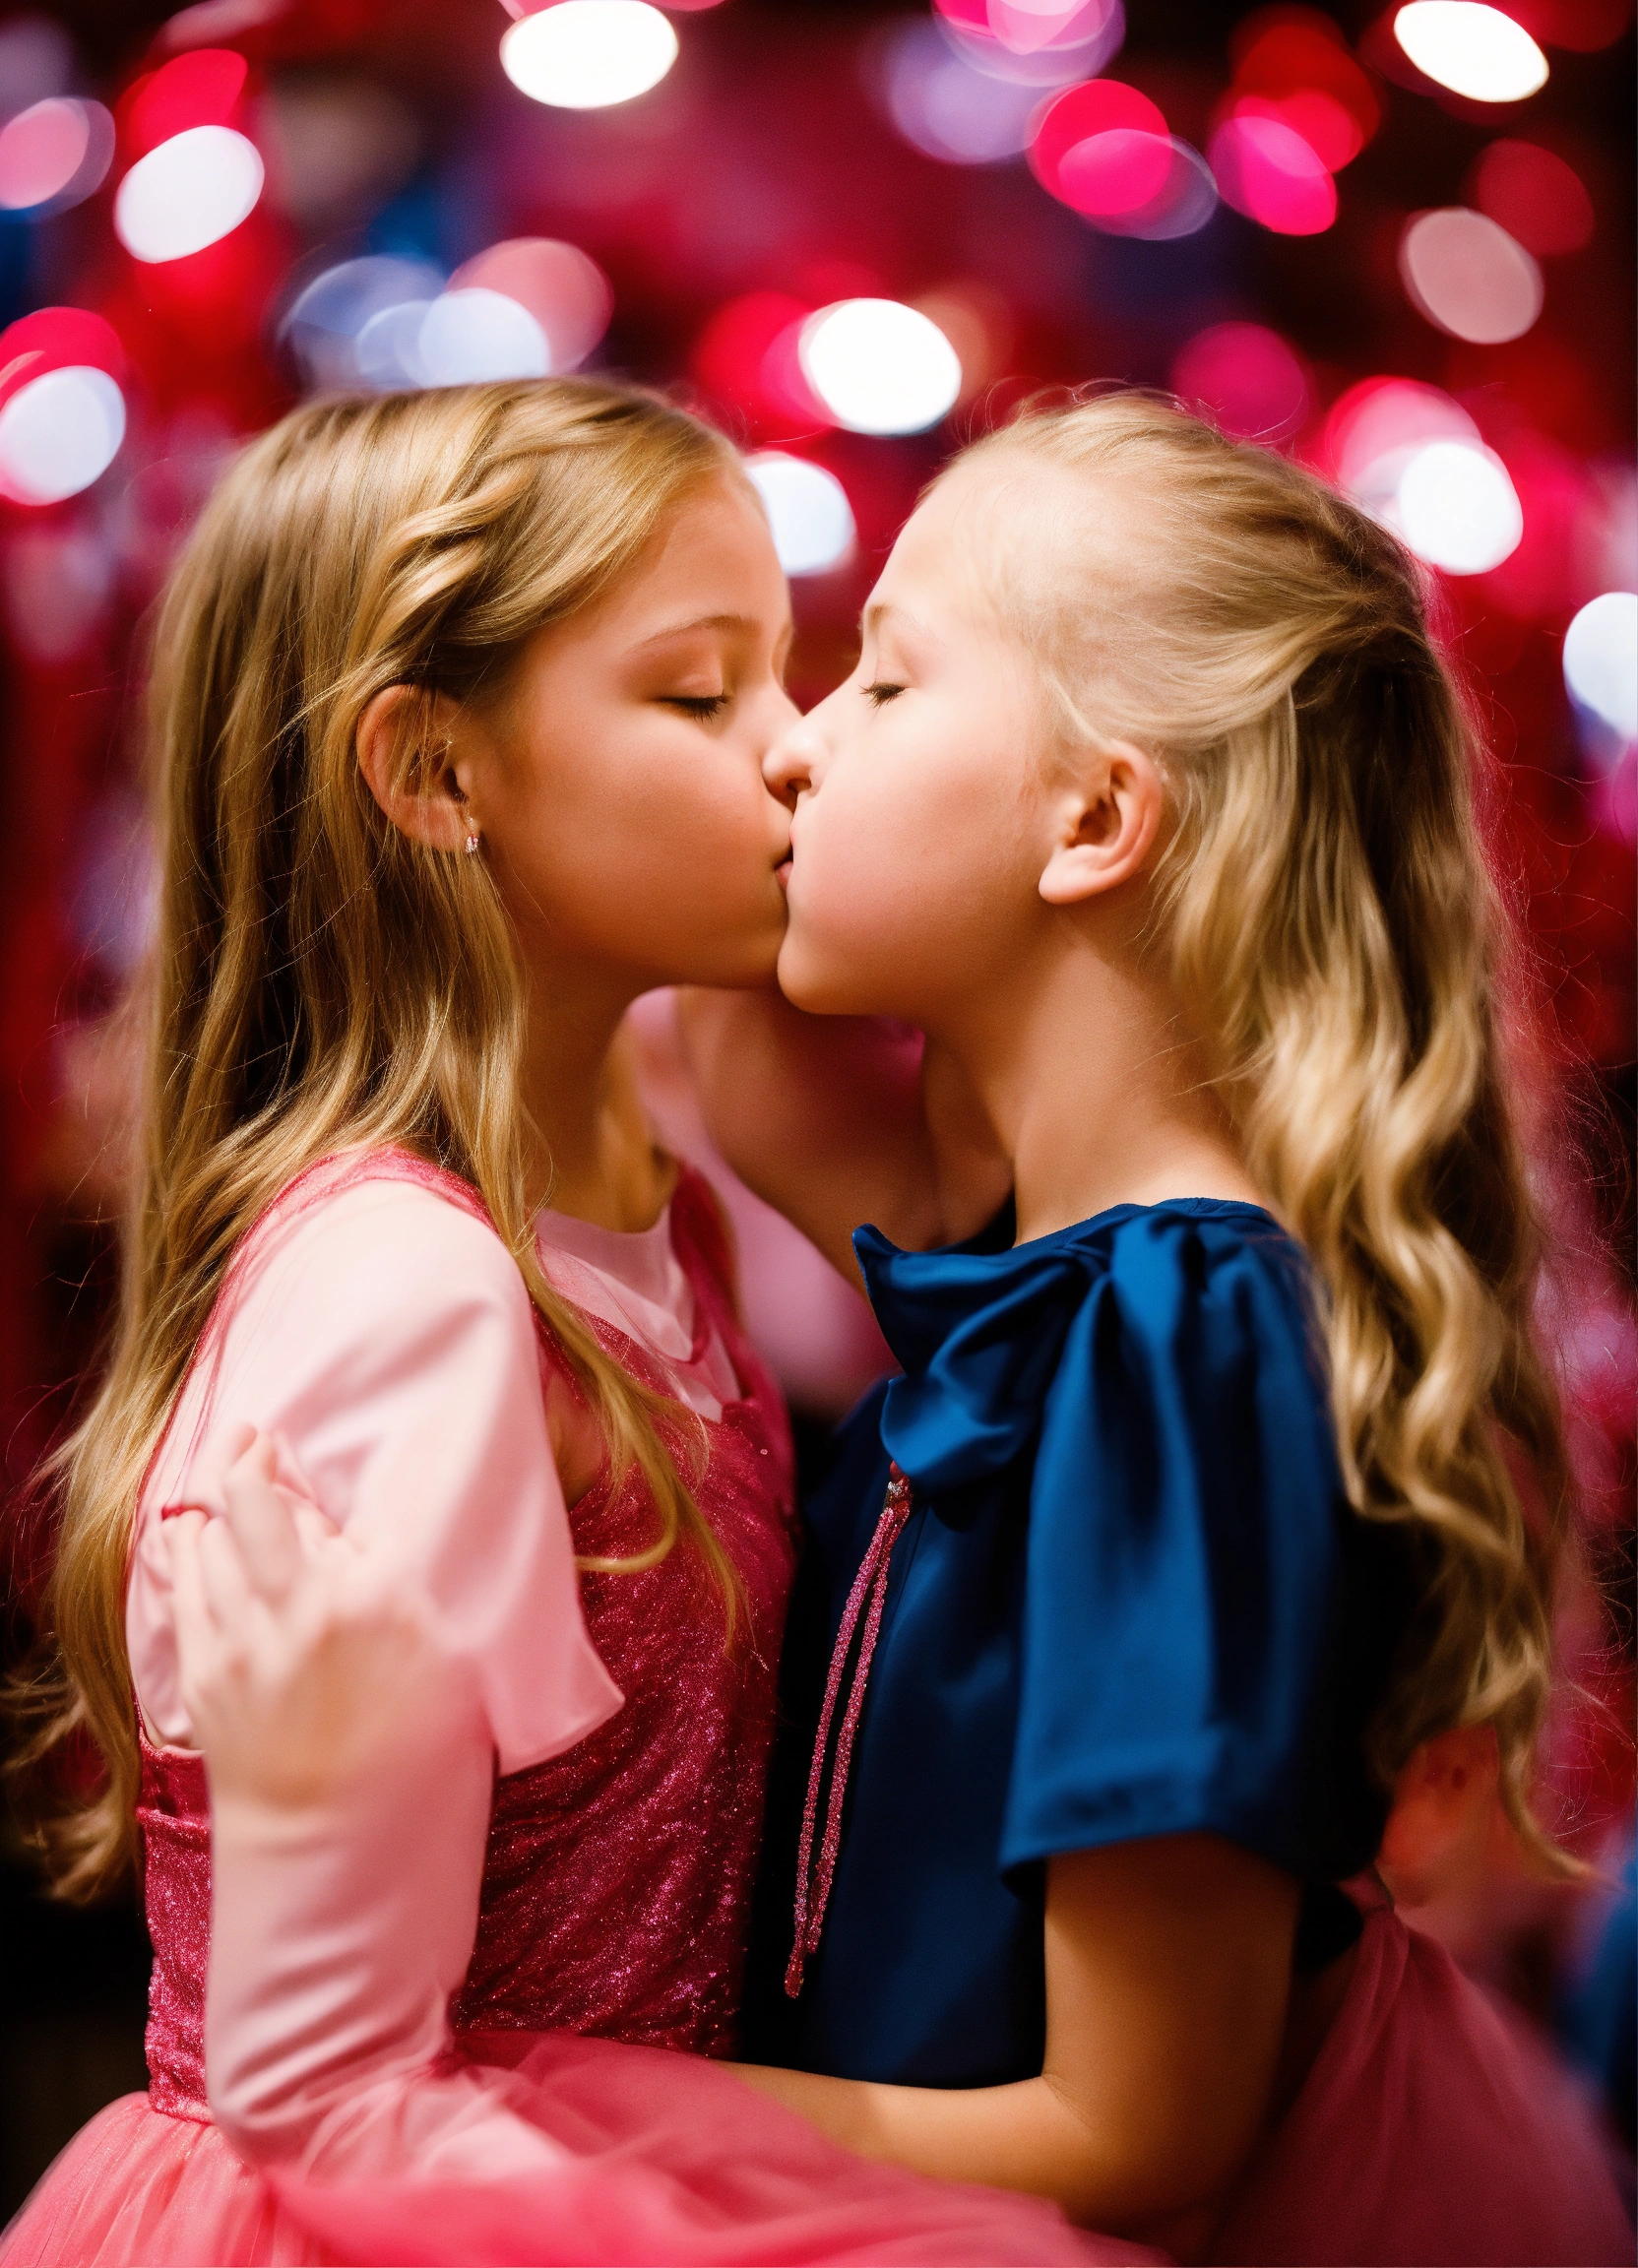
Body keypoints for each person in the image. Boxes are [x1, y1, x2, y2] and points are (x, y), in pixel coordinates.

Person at [1, 380, 1114, 2268]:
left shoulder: (643, 1190)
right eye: (703, 696)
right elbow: (329, 2094)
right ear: (434, 774)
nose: (798, 755)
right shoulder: (417, 1292)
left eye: (799, 677)